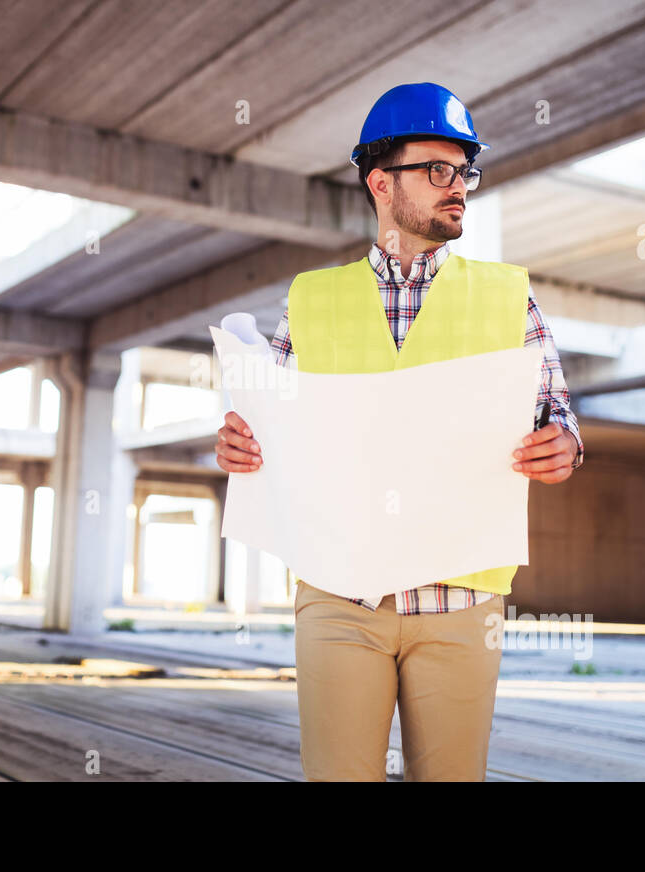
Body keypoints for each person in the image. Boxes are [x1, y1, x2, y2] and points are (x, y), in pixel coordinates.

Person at [215, 82, 584, 781]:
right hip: (337, 598)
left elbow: (556, 415)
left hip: (461, 601)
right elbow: (271, 429)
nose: (460, 189)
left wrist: (564, 443)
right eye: (438, 171)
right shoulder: (311, 300)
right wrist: (239, 445)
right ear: (381, 181)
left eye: (465, 172)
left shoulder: (510, 295)